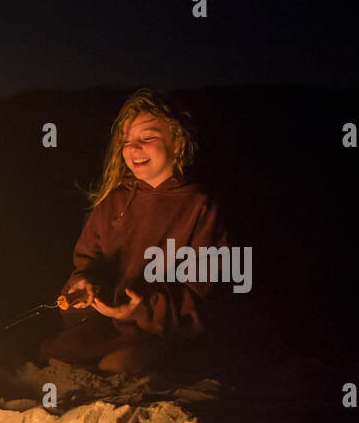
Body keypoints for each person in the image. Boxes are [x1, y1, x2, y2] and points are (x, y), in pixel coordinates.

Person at [40, 89, 228, 374]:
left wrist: (142, 309)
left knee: (117, 366)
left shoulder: (200, 207)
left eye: (147, 138)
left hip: (160, 334)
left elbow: (202, 296)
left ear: (178, 141)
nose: (133, 148)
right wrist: (83, 286)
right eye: (126, 141)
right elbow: (87, 262)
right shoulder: (114, 201)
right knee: (51, 356)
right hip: (107, 329)